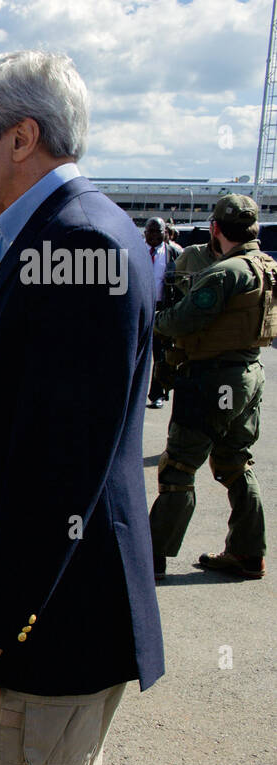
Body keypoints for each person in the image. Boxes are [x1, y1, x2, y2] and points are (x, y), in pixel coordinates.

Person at [0, 50, 165, 765]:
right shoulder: (68, 232)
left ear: (22, 137)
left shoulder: (79, 246)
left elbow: (57, 467)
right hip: (58, 618)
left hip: (43, 635)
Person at [149, 194, 271, 580]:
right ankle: (249, 554)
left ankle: (150, 558)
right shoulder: (266, 266)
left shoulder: (225, 273)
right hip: (249, 373)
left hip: (213, 378)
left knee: (179, 469)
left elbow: (179, 321)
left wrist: (154, 319)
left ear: (216, 228)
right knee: (235, 463)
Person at [144, 217, 171, 408]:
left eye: (158, 231)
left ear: (165, 233)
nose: (154, 235)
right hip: (141, 307)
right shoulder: (133, 250)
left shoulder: (175, 253)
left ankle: (157, 394)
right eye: (150, 231)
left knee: (160, 355)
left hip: (162, 308)